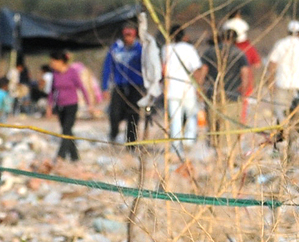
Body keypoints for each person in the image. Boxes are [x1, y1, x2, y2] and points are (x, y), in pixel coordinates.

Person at [100, 23, 158, 143]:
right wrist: (105, 87)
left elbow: (148, 67)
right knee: (114, 113)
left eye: (131, 35)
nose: (128, 38)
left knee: (133, 115)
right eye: (126, 35)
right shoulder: (115, 48)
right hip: (119, 85)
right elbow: (107, 68)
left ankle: (131, 143)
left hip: (136, 86)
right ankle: (113, 134)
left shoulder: (140, 49)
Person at [162, 26, 205, 158]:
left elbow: (163, 69)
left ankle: (175, 148)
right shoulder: (189, 48)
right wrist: (199, 86)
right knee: (191, 116)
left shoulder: (166, 49)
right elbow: (197, 68)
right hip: (187, 89)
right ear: (184, 36)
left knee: (175, 119)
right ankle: (188, 142)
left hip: (171, 90)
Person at [266, 20, 299, 127]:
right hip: (298, 88)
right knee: (298, 118)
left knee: (281, 116)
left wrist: (270, 83)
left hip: (281, 85)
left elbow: (272, 65)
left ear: (288, 31)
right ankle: (291, 134)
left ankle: (284, 134)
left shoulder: (280, 45)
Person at [201, 23, 249, 137]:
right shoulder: (239, 53)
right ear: (235, 40)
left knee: (213, 128)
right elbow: (245, 73)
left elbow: (203, 70)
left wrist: (200, 87)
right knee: (229, 129)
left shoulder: (210, 51)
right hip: (232, 96)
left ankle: (214, 145)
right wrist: (244, 90)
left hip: (213, 95)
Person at [45, 50, 93, 161]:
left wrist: (89, 103)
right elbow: (52, 91)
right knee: (68, 131)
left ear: (61, 61)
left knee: (66, 131)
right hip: (60, 106)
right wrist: (49, 106)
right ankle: (74, 156)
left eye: (54, 62)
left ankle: (60, 156)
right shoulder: (55, 74)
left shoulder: (72, 72)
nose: (52, 64)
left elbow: (82, 87)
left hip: (71, 105)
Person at [223, 17, 261, 123]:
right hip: (241, 87)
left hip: (226, 87)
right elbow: (257, 64)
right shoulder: (247, 47)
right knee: (241, 114)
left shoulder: (221, 49)